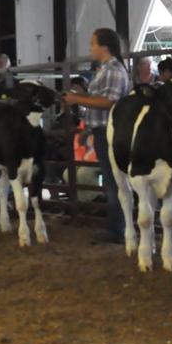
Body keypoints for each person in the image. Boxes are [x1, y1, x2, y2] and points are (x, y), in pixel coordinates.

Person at [62, 28, 131, 245]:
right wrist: (79, 96)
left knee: (114, 181)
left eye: (93, 44)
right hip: (102, 130)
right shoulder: (105, 69)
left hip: (110, 132)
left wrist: (77, 100)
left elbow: (109, 102)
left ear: (104, 47)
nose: (90, 48)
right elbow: (99, 97)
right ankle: (117, 226)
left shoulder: (112, 70)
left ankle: (118, 228)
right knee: (113, 181)